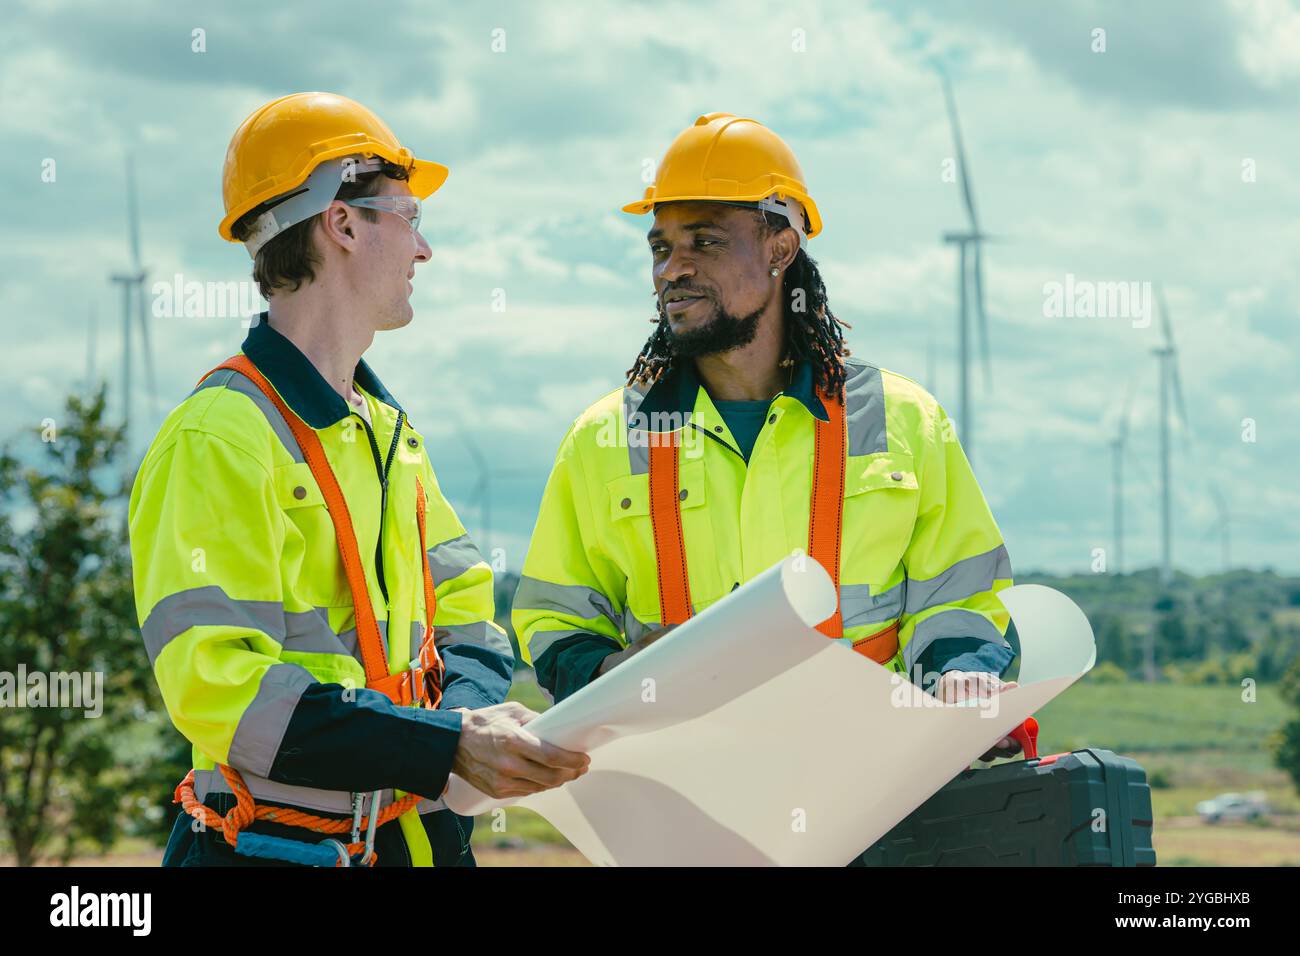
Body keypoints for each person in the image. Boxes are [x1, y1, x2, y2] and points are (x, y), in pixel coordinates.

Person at [128, 92, 587, 867]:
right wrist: (439, 746)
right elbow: (219, 685)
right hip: (275, 855)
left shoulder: (388, 434)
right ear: (342, 224)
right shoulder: (217, 438)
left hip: (417, 839)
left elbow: (469, 615)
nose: (424, 249)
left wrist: (465, 738)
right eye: (409, 216)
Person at [514, 113, 1021, 758]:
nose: (674, 268)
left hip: (877, 784)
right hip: (691, 790)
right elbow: (556, 620)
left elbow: (960, 593)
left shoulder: (901, 419)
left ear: (781, 248)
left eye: (706, 242)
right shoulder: (604, 439)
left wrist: (959, 679)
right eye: (661, 247)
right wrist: (613, 678)